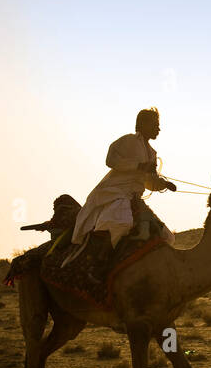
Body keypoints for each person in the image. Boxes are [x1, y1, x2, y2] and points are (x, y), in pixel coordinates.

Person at [70, 108, 178, 257]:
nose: (158, 129)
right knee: (121, 223)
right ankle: (97, 260)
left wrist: (163, 185)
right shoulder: (129, 141)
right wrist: (138, 166)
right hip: (116, 193)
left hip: (134, 198)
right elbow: (110, 160)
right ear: (144, 124)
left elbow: (148, 183)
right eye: (155, 124)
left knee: (166, 236)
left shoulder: (152, 153)